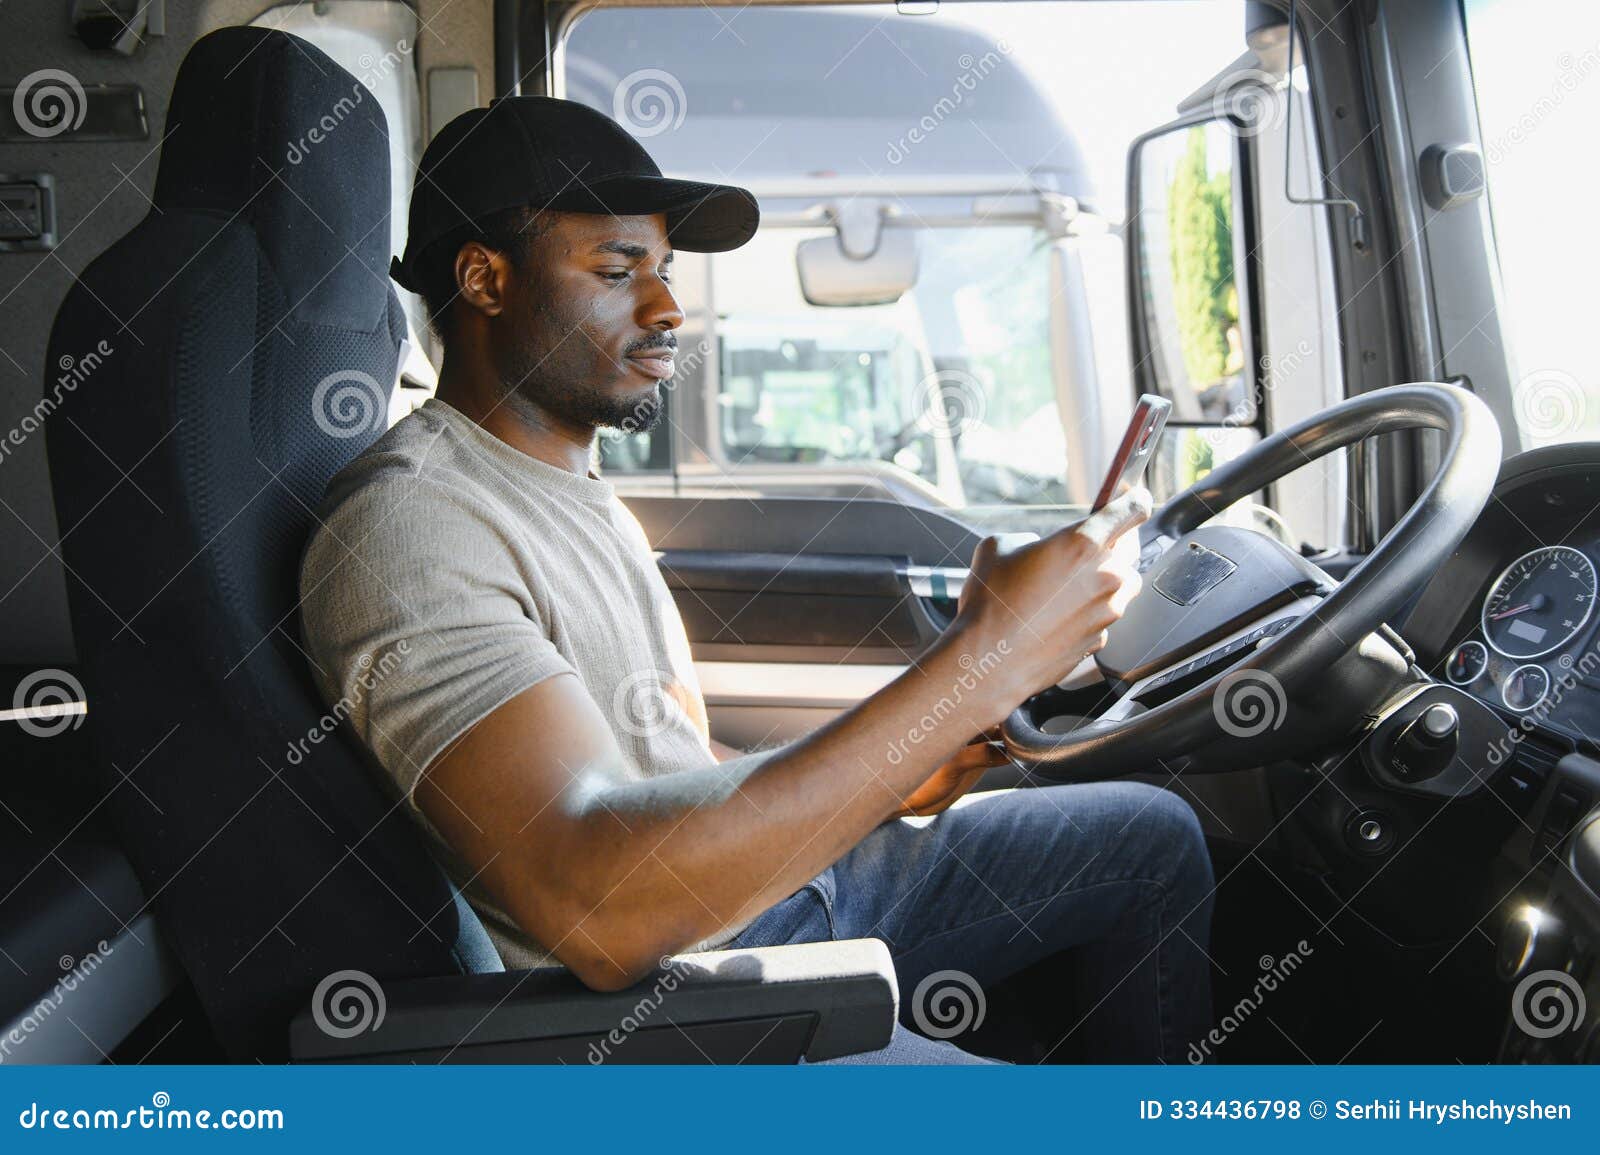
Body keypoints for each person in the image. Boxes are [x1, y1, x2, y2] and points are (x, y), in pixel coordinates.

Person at [298, 96, 1213, 1063]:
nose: (667, 308)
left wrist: (924, 745)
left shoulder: (576, 490)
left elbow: (666, 764)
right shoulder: (413, 528)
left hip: (762, 892)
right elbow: (598, 910)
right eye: (617, 272)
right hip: (684, 1002)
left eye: (664, 270)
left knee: (1151, 841)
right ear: (483, 279)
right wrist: (987, 658)